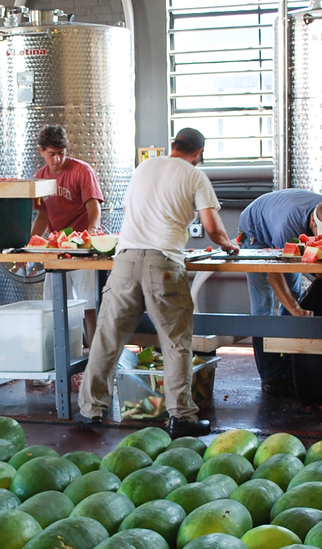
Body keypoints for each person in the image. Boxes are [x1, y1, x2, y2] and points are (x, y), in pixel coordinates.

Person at [77, 127, 238, 437]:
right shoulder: (194, 176)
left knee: (107, 337)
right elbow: (212, 228)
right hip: (163, 263)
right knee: (176, 341)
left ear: (174, 145)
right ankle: (182, 417)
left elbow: (131, 212)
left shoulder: (144, 167)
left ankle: (90, 411)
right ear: (198, 153)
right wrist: (228, 244)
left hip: (125, 261)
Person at [237, 189, 322, 396]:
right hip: (256, 232)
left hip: (281, 222)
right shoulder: (287, 227)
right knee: (264, 306)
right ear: (313, 222)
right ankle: (271, 376)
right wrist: (295, 309)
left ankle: (290, 370)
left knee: (293, 296)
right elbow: (274, 274)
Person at [29, 124, 104, 338]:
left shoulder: (82, 171)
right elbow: (42, 216)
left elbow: (93, 206)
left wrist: (91, 233)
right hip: (57, 249)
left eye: (61, 153)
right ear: (42, 151)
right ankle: (63, 350)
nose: (57, 159)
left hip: (82, 249)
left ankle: (94, 352)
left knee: (89, 306)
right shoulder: (40, 177)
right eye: (52, 154)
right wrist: (31, 242)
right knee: (54, 305)